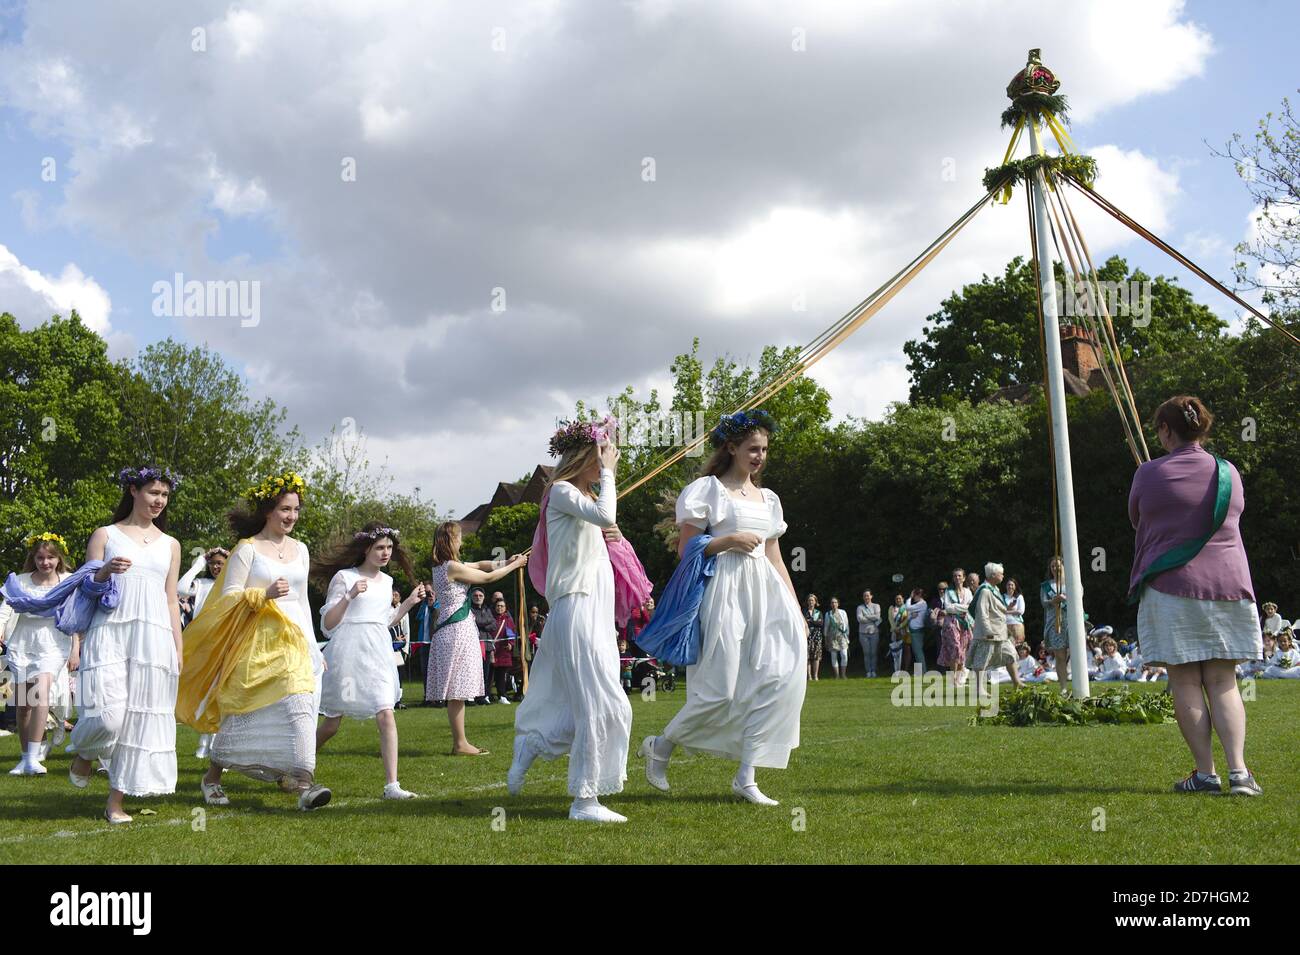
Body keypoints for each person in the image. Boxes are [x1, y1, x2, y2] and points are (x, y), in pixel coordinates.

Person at [639, 409, 806, 807]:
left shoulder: (768, 499)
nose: (759, 456)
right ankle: (660, 746)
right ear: (731, 448)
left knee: (776, 678)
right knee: (720, 689)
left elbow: (776, 557)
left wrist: (797, 610)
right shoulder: (707, 491)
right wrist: (727, 540)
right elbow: (686, 550)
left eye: (764, 449)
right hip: (724, 590)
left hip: (767, 592)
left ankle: (746, 776)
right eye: (752, 448)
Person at [1128, 395, 1263, 795]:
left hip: (1171, 587)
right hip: (1228, 585)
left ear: (1167, 430)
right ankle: (1239, 772)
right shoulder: (1229, 472)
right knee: (1224, 680)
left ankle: (1205, 774)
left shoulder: (1148, 474)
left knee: (1185, 680)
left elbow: (1136, 519)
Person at [178, 470, 332, 812]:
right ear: (268, 512)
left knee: (300, 706)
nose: (291, 516)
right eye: (284, 510)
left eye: (295, 510)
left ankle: (305, 783)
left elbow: (303, 600)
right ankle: (212, 777)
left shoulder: (301, 550)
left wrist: (313, 644)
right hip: (256, 638)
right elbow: (229, 597)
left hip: (295, 641)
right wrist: (263, 594)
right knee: (245, 709)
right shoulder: (247, 550)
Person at [508, 416, 634, 822]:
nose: (606, 463)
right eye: (601, 455)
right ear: (585, 456)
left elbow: (604, 523)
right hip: (575, 606)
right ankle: (584, 801)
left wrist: (610, 532)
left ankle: (532, 746)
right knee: (602, 703)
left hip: (592, 611)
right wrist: (609, 479)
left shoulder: (582, 502)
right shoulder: (560, 491)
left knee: (582, 705)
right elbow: (604, 514)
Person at [67, 467, 183, 824]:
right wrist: (104, 572)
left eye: (164, 495)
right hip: (109, 632)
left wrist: (178, 648)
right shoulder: (106, 535)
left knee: (137, 721)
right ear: (133, 490)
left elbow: (171, 599)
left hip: (153, 638)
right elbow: (84, 589)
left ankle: (115, 803)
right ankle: (84, 752)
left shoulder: (171, 545)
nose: (159, 501)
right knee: (109, 715)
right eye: (153, 493)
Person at [314, 524, 429, 798]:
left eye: (389, 548)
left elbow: (384, 621)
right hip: (348, 654)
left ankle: (392, 786)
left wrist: (408, 604)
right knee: (331, 724)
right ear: (366, 548)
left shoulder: (387, 582)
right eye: (379, 548)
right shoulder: (344, 577)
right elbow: (327, 625)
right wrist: (349, 595)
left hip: (378, 653)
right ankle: (296, 766)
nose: (385, 553)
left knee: (386, 712)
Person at [426, 521, 526, 755]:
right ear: (451, 540)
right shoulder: (452, 567)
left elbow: (482, 564)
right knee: (457, 689)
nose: (461, 540)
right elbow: (487, 578)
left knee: (457, 690)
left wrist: (506, 561)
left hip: (450, 628)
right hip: (457, 629)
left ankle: (460, 742)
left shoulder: (445, 565)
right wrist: (515, 566)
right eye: (459, 537)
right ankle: (460, 744)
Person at [1, 533, 76, 775]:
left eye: (50, 557)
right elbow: (5, 611)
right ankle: (25, 758)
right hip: (23, 641)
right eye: (40, 557)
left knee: (41, 691)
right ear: (33, 558)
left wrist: (76, 647)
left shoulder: (68, 580)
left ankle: (34, 757)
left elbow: (75, 614)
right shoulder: (20, 581)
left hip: (54, 642)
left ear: (59, 558)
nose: (45, 562)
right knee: (24, 704)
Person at [178, 546, 228, 759]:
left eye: (221, 563)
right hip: (203, 644)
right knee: (204, 692)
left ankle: (213, 742)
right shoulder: (202, 584)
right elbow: (180, 589)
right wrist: (199, 563)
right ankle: (204, 738)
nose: (217, 567)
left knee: (220, 692)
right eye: (214, 563)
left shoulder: (233, 585)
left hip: (226, 642)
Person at [968, 562, 1020, 688]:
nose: (1003, 576)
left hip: (1000, 633)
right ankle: (979, 689)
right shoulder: (985, 591)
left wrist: (1007, 609)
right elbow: (982, 613)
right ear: (992, 575)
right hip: (989, 634)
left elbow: (997, 610)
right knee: (982, 661)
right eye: (1001, 573)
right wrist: (988, 631)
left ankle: (1017, 683)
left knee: (1010, 655)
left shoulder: (994, 589)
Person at [938, 568, 973, 685]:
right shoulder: (949, 592)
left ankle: (957, 680)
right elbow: (948, 607)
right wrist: (963, 607)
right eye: (955, 576)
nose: (957, 578)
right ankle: (952, 680)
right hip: (951, 623)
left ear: (963, 578)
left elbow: (971, 607)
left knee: (962, 650)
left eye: (959, 576)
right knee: (956, 649)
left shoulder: (968, 592)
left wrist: (956, 607)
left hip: (964, 623)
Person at [1041, 556, 1070, 688]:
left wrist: (1064, 598)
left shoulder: (1073, 582)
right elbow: (1043, 603)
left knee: (1077, 654)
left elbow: (1079, 596)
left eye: (1057, 565)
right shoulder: (1046, 585)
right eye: (1052, 566)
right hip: (1055, 622)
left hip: (1071, 621)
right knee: (1060, 655)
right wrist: (1053, 601)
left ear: (1064, 566)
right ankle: (1063, 687)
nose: (1055, 568)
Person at [489, 596, 517, 701]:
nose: (499, 608)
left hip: (503, 651)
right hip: (492, 650)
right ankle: (488, 695)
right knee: (489, 675)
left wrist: (510, 643)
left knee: (501, 675)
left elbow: (512, 633)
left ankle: (502, 695)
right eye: (498, 606)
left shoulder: (508, 620)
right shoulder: (490, 618)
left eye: (502, 606)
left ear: (505, 608)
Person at [389, 588, 410, 708]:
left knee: (399, 673)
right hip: (389, 647)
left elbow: (406, 630)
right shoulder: (386, 609)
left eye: (396, 594)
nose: (394, 597)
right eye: (392, 595)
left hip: (400, 648)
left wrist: (406, 649)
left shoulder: (403, 609)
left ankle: (398, 700)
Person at [856, 590, 881, 678]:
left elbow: (877, 617)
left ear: (871, 596)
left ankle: (873, 671)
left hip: (874, 632)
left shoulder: (876, 606)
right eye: (864, 596)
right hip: (863, 633)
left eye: (867, 595)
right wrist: (872, 618)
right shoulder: (860, 607)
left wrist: (865, 616)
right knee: (866, 653)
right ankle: (868, 671)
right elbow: (859, 619)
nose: (866, 597)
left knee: (873, 652)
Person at [824, 597, 851, 679]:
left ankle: (843, 674)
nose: (834, 604)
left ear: (838, 604)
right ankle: (837, 676)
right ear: (830, 604)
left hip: (842, 636)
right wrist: (825, 638)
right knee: (834, 656)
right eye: (832, 602)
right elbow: (826, 627)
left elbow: (846, 624)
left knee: (844, 655)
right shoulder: (828, 614)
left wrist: (847, 635)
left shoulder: (843, 612)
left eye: (835, 602)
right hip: (832, 637)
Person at [905, 588, 929, 673]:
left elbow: (907, 607)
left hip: (917, 631)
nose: (913, 598)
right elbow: (908, 617)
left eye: (914, 595)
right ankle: (921, 671)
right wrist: (911, 616)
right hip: (914, 631)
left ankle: (923, 671)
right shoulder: (918, 605)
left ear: (918, 595)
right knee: (916, 652)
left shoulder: (922, 604)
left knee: (918, 652)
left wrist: (909, 597)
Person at [804, 593, 823, 681]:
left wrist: (810, 621)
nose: (811, 602)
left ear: (815, 602)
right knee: (807, 656)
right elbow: (804, 623)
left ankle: (815, 676)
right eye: (809, 600)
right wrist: (814, 622)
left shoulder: (819, 612)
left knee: (816, 657)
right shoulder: (804, 612)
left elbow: (820, 623)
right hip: (807, 636)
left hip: (817, 637)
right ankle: (809, 676)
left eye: (812, 600)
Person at [887, 594, 908, 674]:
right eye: (896, 599)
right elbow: (890, 619)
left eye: (900, 598)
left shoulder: (906, 608)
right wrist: (895, 629)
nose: (898, 600)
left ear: (903, 599)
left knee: (904, 651)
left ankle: (903, 670)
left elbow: (907, 619)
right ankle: (896, 670)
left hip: (904, 632)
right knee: (895, 652)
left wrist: (899, 628)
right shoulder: (891, 608)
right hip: (894, 632)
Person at [1004, 578, 1026, 645]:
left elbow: (1021, 611)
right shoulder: (1002, 597)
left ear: (1015, 586)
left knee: (1017, 645)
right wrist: (1011, 609)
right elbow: (999, 610)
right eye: (1008, 585)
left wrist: (1007, 611)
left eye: (1012, 585)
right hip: (1004, 624)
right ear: (1006, 586)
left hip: (1016, 624)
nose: (1010, 586)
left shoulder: (1019, 597)